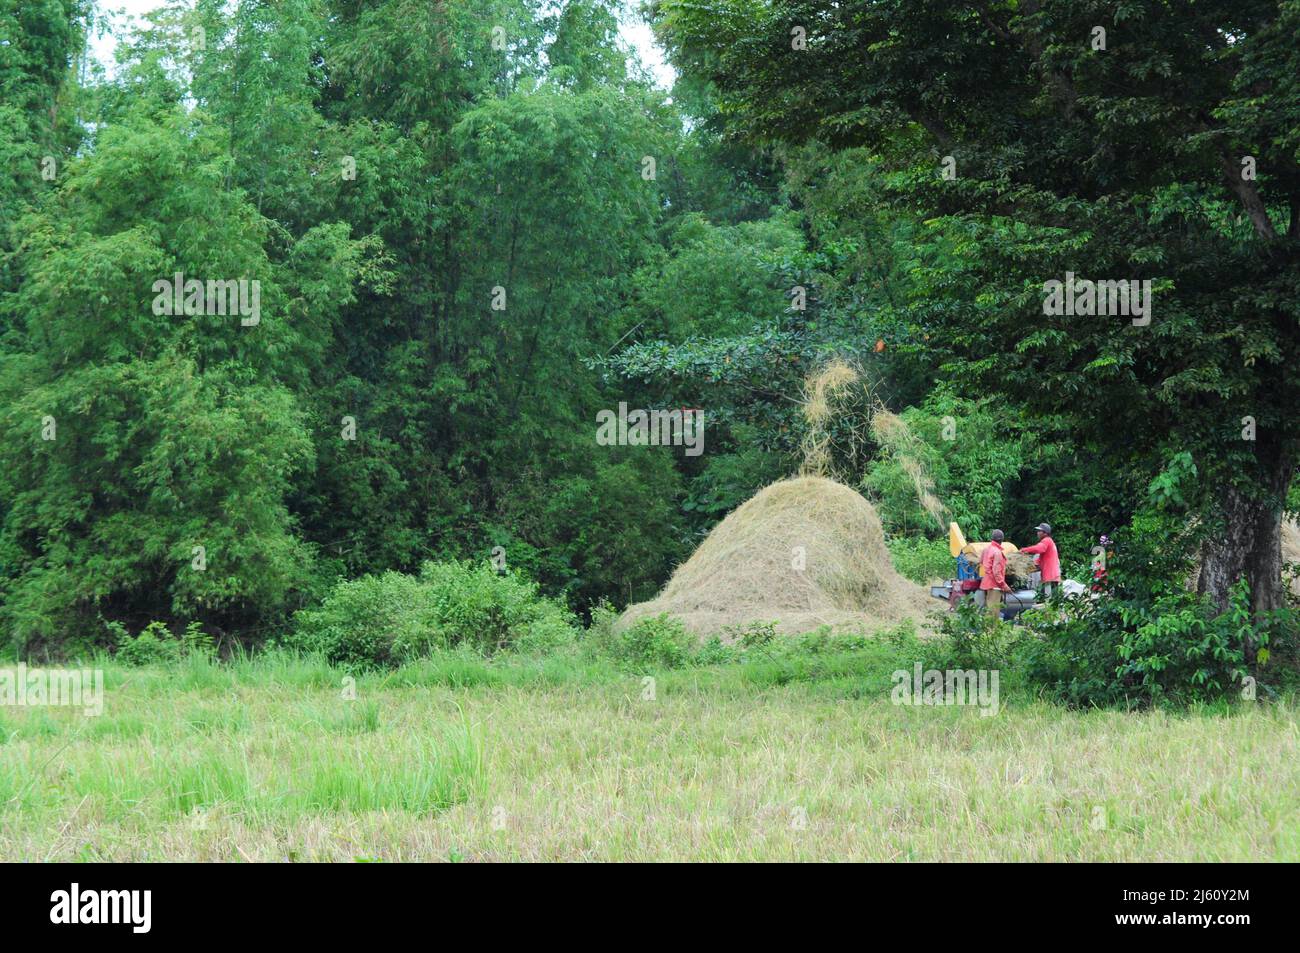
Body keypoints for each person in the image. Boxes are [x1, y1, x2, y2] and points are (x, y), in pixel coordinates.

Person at [1020, 522, 1061, 599]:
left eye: (1039, 531)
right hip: (1052, 575)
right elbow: (1040, 559)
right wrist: (1029, 566)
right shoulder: (1049, 541)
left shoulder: (1046, 541)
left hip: (1050, 576)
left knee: (1049, 599)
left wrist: (1024, 550)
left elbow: (1039, 548)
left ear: (1045, 533)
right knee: (1050, 599)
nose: (1037, 533)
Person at [979, 529, 1012, 618]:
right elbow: (996, 572)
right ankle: (992, 630)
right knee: (993, 611)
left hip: (986, 583)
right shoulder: (997, 552)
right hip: (994, 584)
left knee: (989, 608)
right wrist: (1004, 585)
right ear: (1001, 540)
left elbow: (981, 561)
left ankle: (988, 630)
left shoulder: (986, 549)